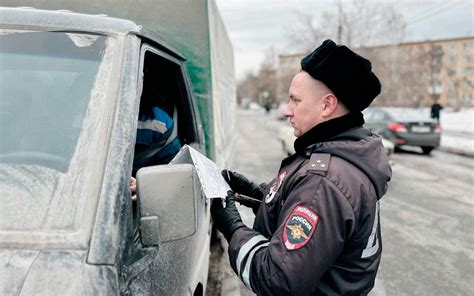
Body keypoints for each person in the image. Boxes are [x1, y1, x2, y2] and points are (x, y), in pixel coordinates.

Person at [211, 39, 392, 295]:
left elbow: (276, 280)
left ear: (327, 105)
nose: (287, 110)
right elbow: (321, 220)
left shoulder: (324, 181)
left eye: (295, 100)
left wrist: (233, 228)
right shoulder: (340, 157)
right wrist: (260, 196)